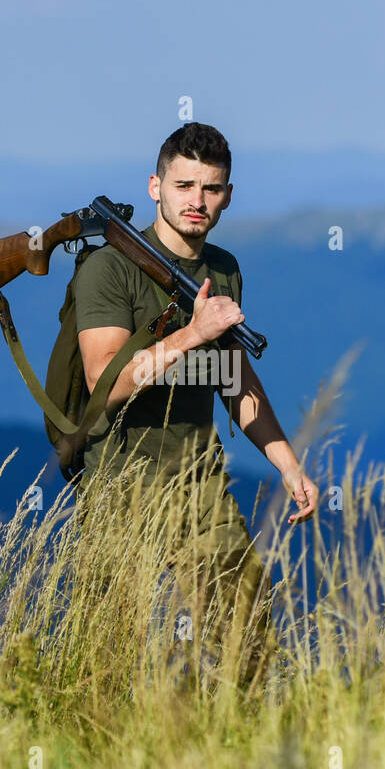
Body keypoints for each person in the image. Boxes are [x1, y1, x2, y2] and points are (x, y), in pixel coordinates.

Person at [74, 122, 319, 690]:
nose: (197, 202)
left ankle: (233, 750)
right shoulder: (107, 268)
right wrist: (191, 333)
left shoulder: (224, 269)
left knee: (247, 637)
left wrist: (287, 463)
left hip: (198, 479)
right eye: (184, 186)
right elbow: (101, 382)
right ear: (155, 186)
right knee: (109, 652)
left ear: (228, 195)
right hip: (119, 482)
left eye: (211, 189)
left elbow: (232, 373)